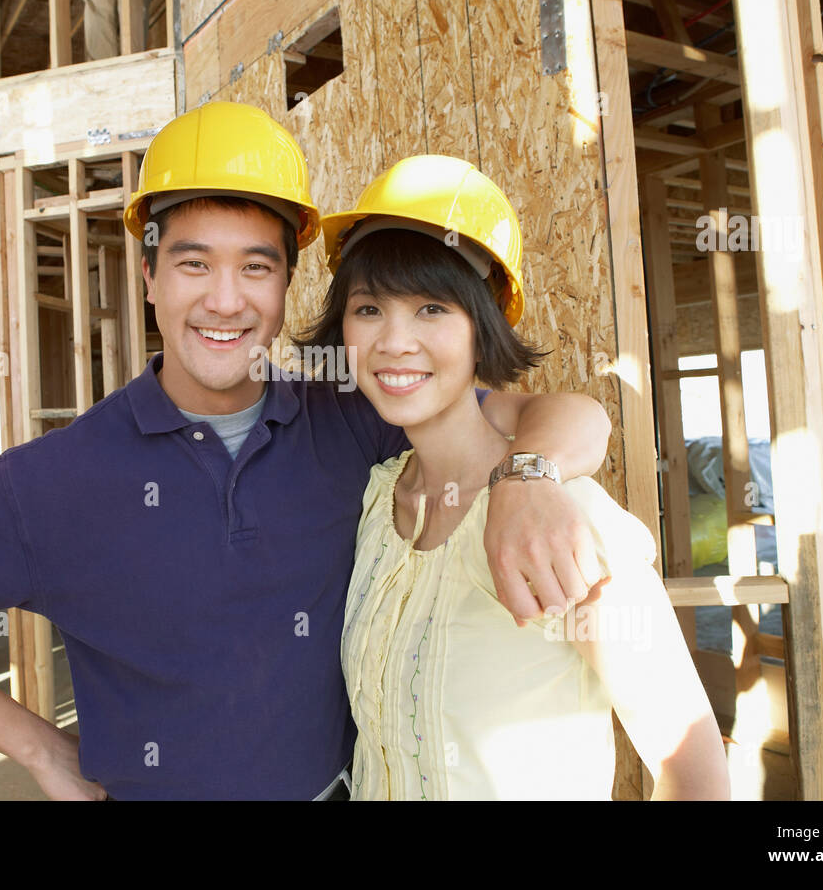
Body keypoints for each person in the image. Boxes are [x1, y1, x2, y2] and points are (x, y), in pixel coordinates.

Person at [0, 104, 616, 800]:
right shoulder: (52, 481)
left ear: (284, 288)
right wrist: (40, 749)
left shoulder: (354, 419)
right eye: (192, 263)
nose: (224, 299)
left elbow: (564, 414)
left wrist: (527, 478)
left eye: (256, 267)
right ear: (148, 276)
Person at [297, 154, 730, 799]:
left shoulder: (564, 516)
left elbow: (694, 774)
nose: (393, 341)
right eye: (369, 310)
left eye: (431, 309)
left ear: (485, 323)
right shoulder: (376, 501)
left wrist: (523, 479)